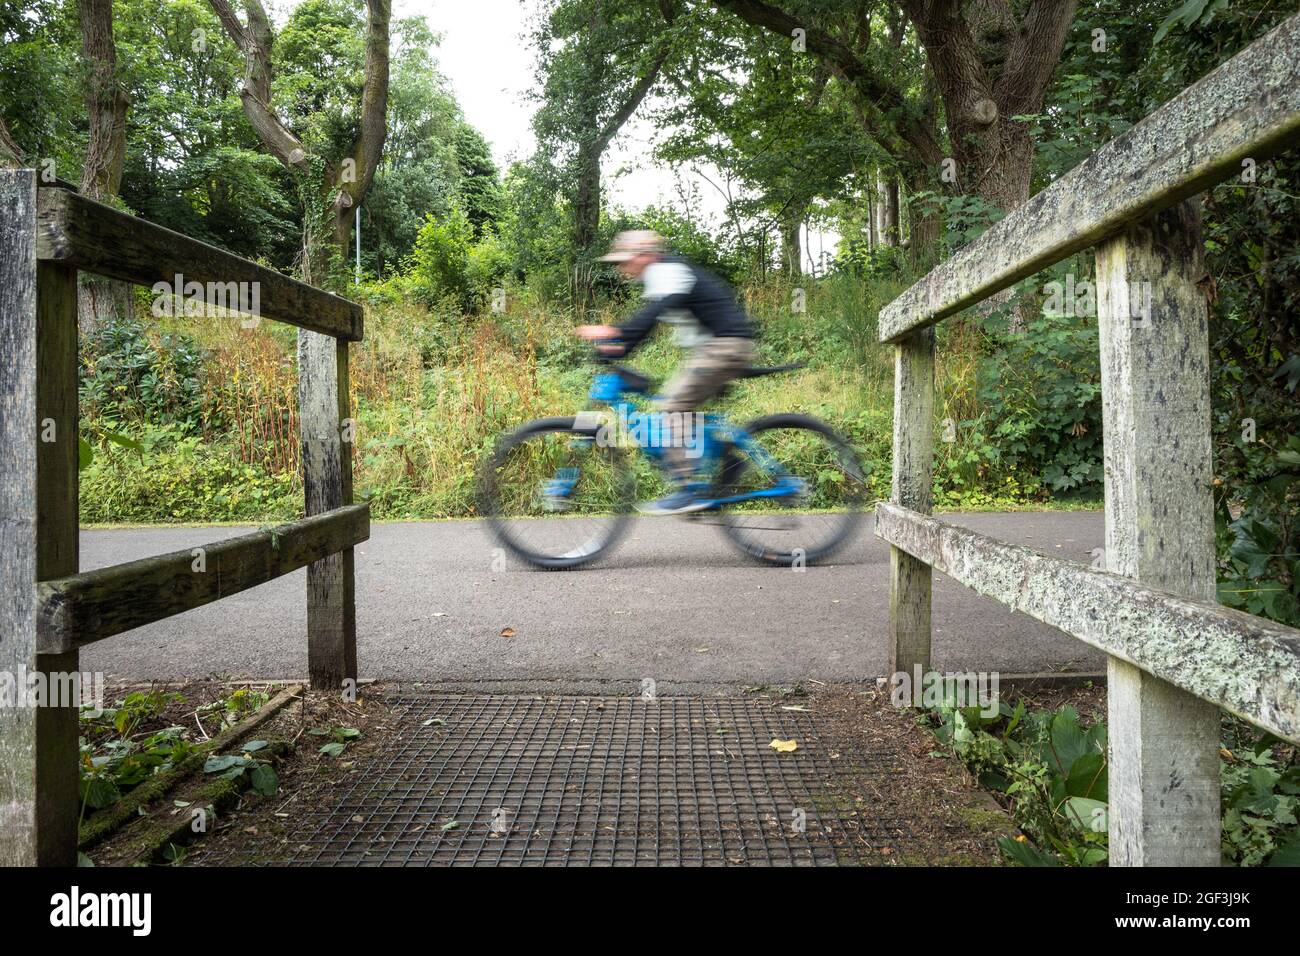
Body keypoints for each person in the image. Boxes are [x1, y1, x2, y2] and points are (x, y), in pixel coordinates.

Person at [575, 229, 756, 515]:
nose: (622, 268)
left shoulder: (666, 271)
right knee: (674, 408)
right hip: (716, 347)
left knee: (673, 407)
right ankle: (727, 459)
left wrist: (615, 332)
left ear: (646, 255)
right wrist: (616, 348)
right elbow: (647, 326)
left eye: (626, 260)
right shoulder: (660, 277)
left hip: (725, 346)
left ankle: (689, 489)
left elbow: (652, 315)